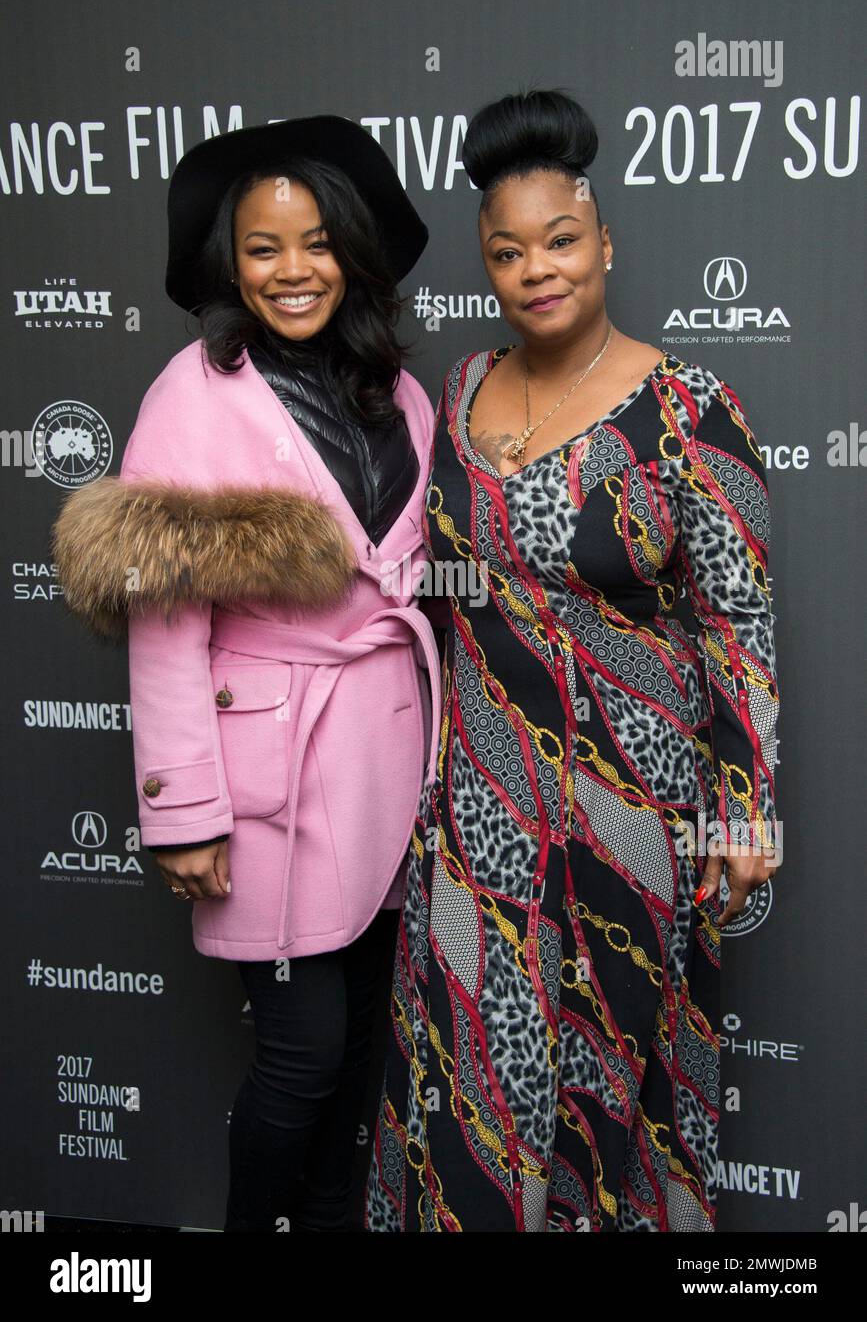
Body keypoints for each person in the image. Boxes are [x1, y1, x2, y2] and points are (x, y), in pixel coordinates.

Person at [365, 88, 780, 1232]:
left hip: (629, 814)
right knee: (472, 1078)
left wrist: (747, 813)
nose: (538, 269)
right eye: (509, 251)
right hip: (483, 802)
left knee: (604, 1092)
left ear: (603, 242)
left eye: (560, 241)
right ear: (487, 265)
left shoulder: (691, 407)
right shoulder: (458, 394)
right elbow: (454, 577)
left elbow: (738, 621)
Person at [51, 115, 441, 1232]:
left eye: (316, 242)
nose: (293, 270)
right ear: (231, 263)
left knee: (364, 1046)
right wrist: (179, 811)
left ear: (352, 250)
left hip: (389, 761)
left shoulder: (396, 389)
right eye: (264, 248)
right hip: (268, 772)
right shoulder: (194, 390)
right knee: (302, 1054)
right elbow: (162, 622)